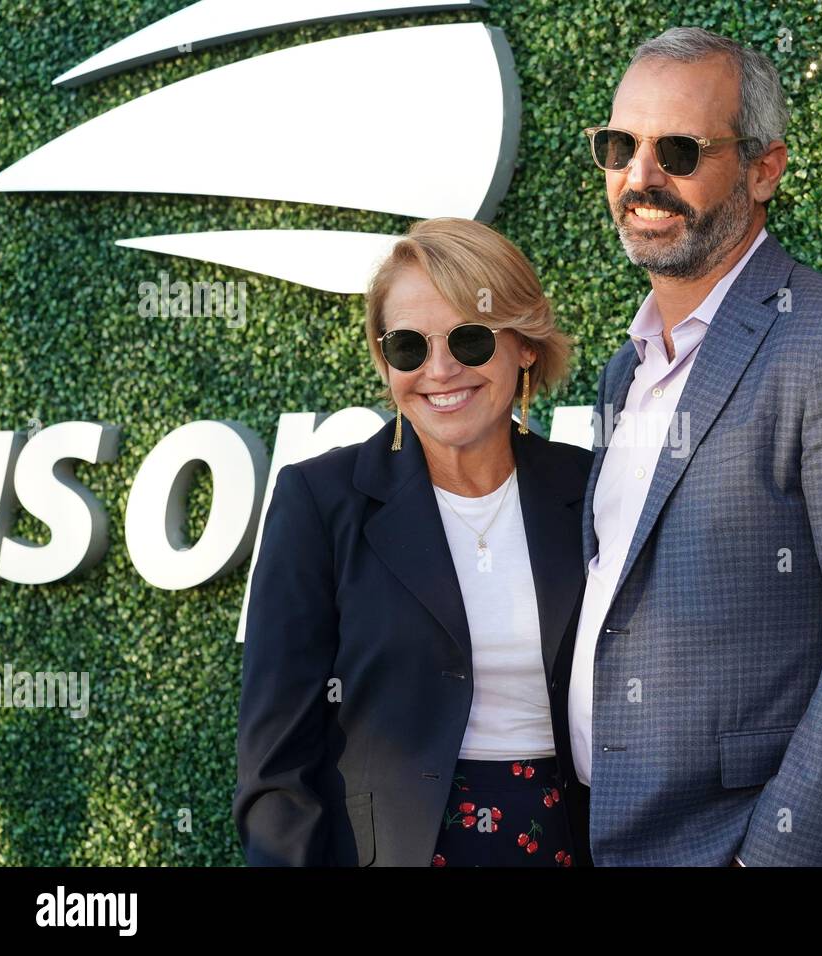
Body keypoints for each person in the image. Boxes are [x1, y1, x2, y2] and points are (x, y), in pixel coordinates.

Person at [569, 27, 822, 866]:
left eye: (678, 150)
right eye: (619, 146)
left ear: (763, 169)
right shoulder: (622, 373)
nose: (641, 178)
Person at [233, 218, 593, 866]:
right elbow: (276, 765)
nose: (440, 370)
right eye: (408, 347)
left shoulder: (592, 491)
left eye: (470, 338)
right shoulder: (320, 502)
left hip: (568, 847)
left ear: (526, 345)